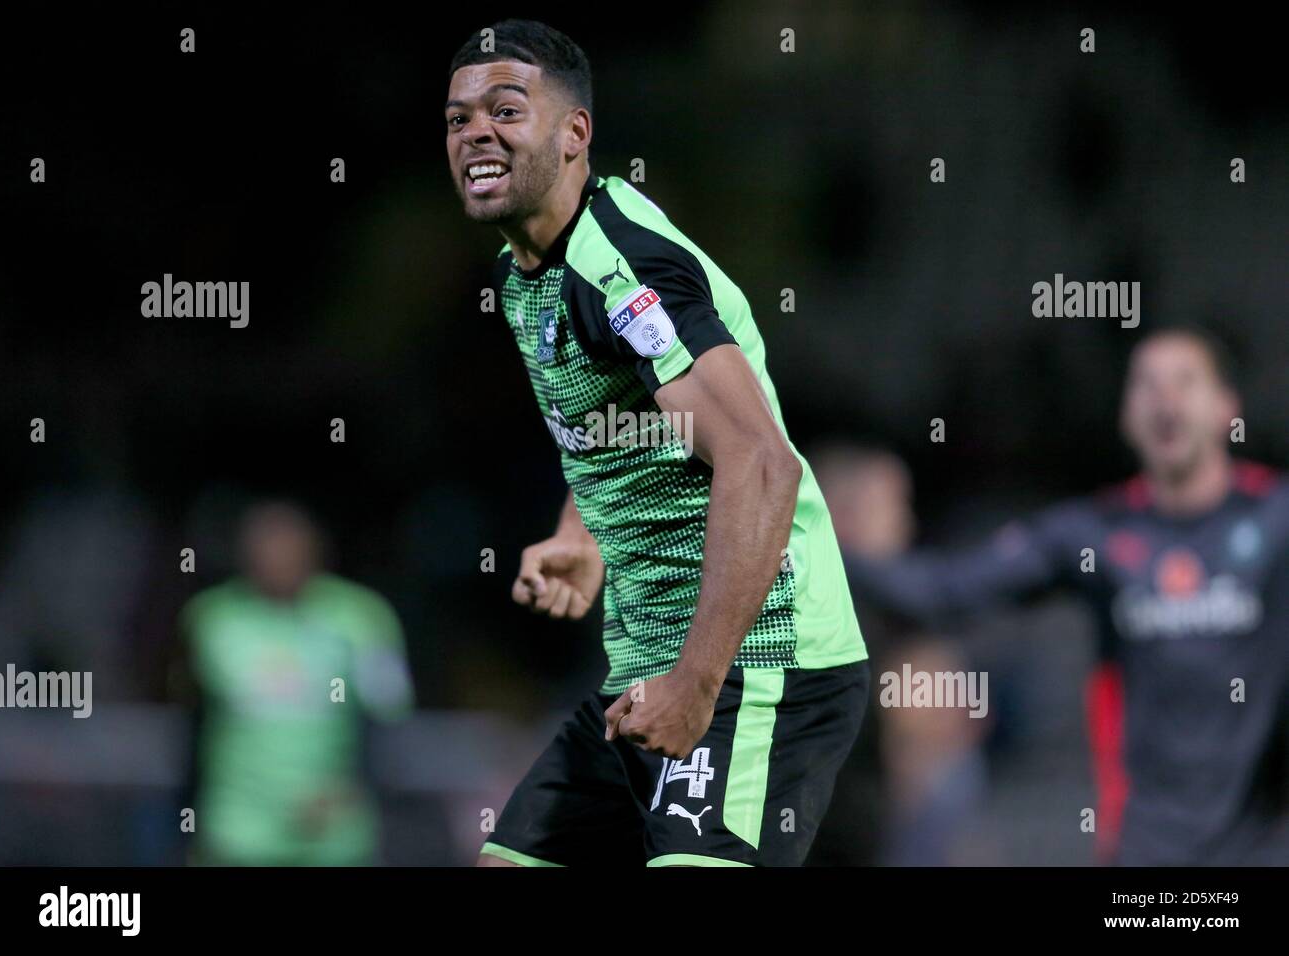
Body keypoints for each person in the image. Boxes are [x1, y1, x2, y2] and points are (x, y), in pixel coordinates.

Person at [445, 19, 869, 867]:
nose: (475, 133)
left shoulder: (623, 272)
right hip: (648, 666)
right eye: (457, 118)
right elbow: (620, 423)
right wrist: (581, 532)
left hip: (757, 663)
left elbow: (761, 464)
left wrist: (699, 683)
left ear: (575, 135)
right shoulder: (522, 270)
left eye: (505, 109)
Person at [845, 327, 1289, 865]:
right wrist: (808, 542)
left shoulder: (1276, 519)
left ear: (1227, 407)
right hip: (1140, 853)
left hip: (1262, 849)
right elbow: (945, 590)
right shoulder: (1093, 532)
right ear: (1127, 415)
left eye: (1185, 382)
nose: (1165, 400)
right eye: (1146, 385)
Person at [178, 501, 414, 865]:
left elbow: (387, 721)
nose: (278, 558)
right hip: (236, 835)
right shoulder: (211, 618)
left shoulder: (362, 616)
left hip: (334, 840)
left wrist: (352, 788)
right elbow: (190, 724)